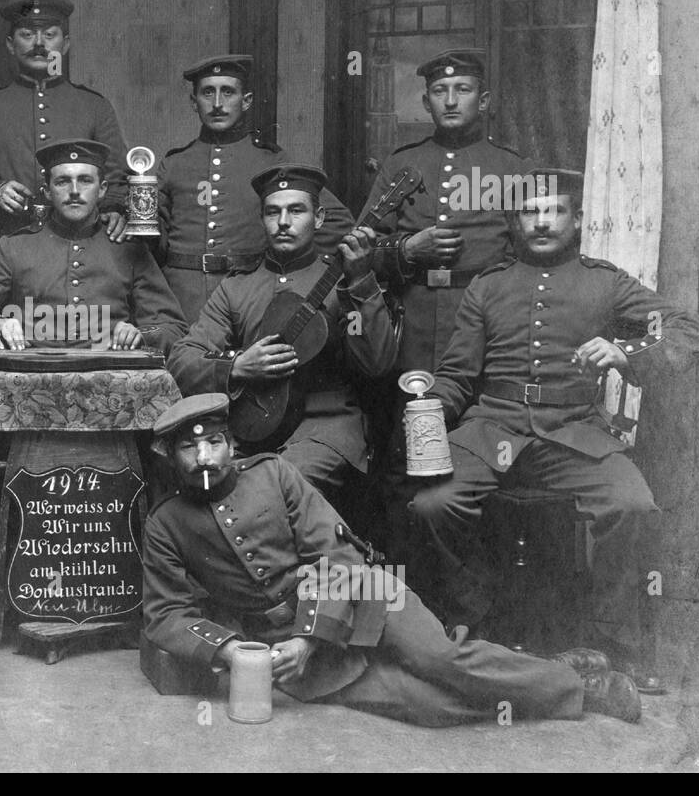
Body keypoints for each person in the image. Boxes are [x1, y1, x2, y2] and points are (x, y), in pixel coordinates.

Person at [141, 393, 641, 726]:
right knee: (428, 705)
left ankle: (580, 686)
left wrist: (308, 638)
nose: (204, 455)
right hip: (284, 644)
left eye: (213, 442)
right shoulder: (165, 523)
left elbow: (337, 557)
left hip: (361, 591)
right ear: (170, 456)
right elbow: (165, 614)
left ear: (232, 444)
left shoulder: (275, 475)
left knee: (439, 659)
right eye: (189, 446)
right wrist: (229, 651)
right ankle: (539, 671)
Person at [408, 168, 699, 694]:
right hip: (491, 428)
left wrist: (626, 351)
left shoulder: (605, 282)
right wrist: (428, 408)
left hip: (573, 432)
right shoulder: (489, 285)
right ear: (515, 220)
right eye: (530, 211)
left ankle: (616, 643)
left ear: (577, 220)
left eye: (555, 211)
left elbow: (689, 328)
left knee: (631, 505)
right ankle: (474, 618)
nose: (542, 222)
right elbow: (457, 376)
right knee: (433, 505)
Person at [168, 164, 396, 504]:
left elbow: (377, 362)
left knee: (271, 486)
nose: (284, 222)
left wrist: (362, 282)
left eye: (296, 210)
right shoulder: (237, 287)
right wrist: (237, 366)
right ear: (262, 219)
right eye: (273, 212)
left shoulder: (342, 284)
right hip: (253, 427)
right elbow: (183, 358)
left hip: (326, 427)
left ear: (318, 218)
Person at [365, 48, 530, 373]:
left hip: (486, 323)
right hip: (413, 325)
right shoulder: (400, 163)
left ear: (483, 101)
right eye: (440, 91)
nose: (450, 101)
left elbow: (531, 256)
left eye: (463, 90)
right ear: (427, 103)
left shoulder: (514, 168)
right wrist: (407, 249)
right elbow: (361, 252)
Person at [157, 54, 354, 321]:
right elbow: (151, 239)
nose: (217, 104)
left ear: (246, 101)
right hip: (182, 299)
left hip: (251, 298)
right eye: (207, 93)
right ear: (194, 102)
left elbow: (337, 223)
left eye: (228, 92)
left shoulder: (271, 162)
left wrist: (285, 263)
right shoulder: (174, 164)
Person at [0, 139, 186, 353]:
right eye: (62, 182)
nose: (74, 192)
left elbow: (173, 329)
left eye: (85, 181)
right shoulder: (13, 248)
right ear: (47, 191)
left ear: (102, 190)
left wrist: (139, 335)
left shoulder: (127, 249)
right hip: (31, 376)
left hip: (110, 372)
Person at [0, 0, 128, 241]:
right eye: (27, 34)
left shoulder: (94, 106)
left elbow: (117, 175)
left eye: (49, 35)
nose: (38, 44)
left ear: (65, 45)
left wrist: (113, 208)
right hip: (9, 239)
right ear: (11, 45)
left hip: (80, 240)